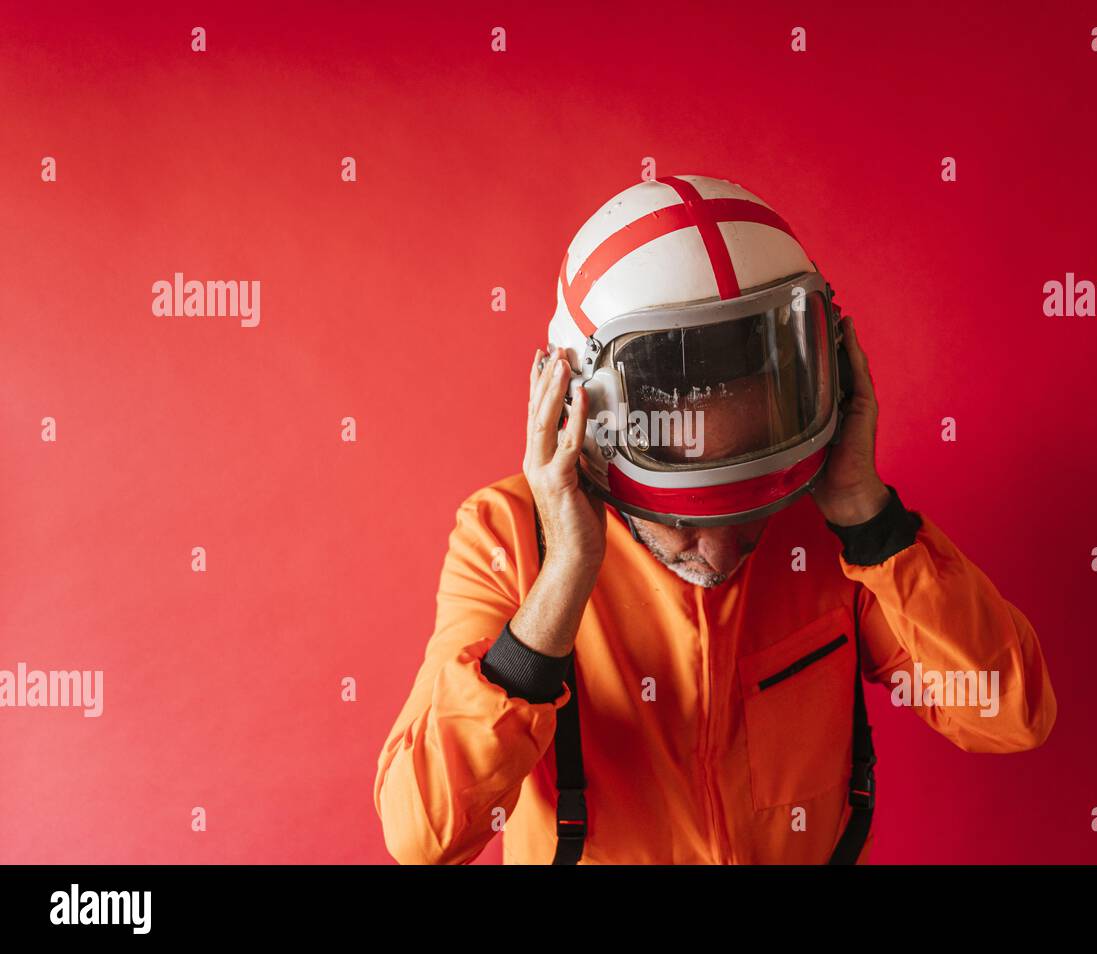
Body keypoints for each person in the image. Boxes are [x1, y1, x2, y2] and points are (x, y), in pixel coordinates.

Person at [374, 174, 1056, 864]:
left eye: (750, 510)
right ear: (579, 433)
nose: (724, 551)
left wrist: (866, 519)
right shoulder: (508, 535)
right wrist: (563, 582)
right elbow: (423, 835)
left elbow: (1009, 718)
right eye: (687, 520)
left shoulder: (830, 527)